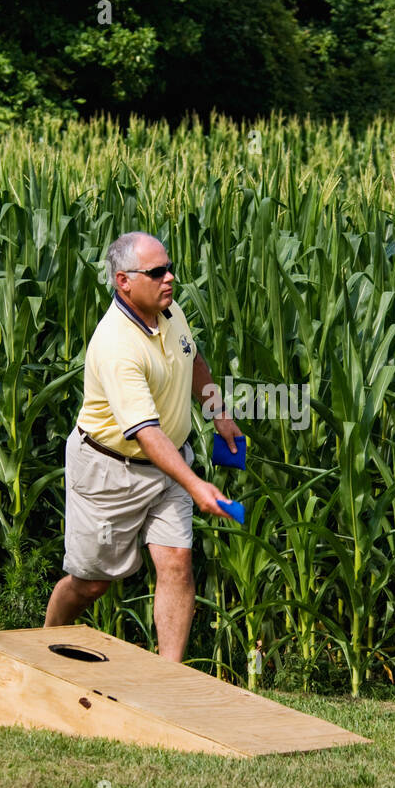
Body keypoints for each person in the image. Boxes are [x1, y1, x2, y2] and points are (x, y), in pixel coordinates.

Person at [45, 232, 243, 662]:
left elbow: (194, 360)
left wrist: (218, 413)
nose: (169, 278)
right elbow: (145, 432)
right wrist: (196, 485)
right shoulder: (116, 344)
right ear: (124, 281)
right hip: (109, 471)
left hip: (167, 468)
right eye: (157, 272)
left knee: (176, 563)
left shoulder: (168, 310)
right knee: (91, 583)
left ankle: (168, 677)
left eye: (170, 268)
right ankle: (42, 645)